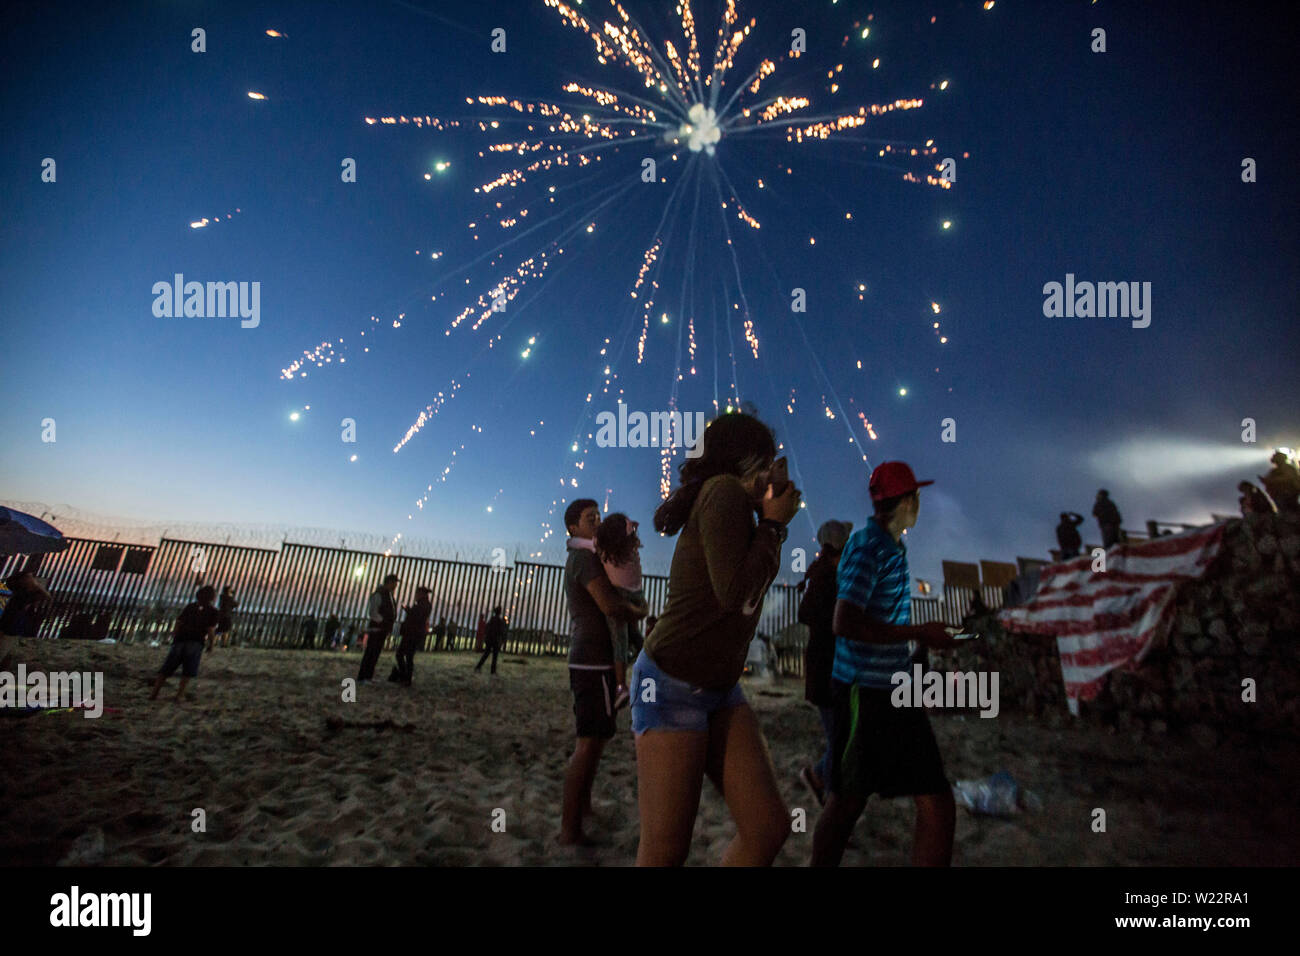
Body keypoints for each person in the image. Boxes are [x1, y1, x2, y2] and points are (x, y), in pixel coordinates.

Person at [632, 412, 797, 866]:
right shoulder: (723, 492)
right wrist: (775, 525)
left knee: (767, 827)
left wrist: (768, 522)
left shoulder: (739, 507)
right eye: (768, 461)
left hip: (721, 689)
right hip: (672, 683)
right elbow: (734, 593)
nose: (777, 470)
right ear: (747, 460)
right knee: (665, 851)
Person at [811, 461, 961, 867]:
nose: (920, 503)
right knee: (845, 805)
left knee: (937, 801)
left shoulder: (893, 546)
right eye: (917, 496)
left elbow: (880, 617)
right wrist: (919, 634)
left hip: (896, 692)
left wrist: (917, 649)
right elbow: (845, 621)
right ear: (908, 501)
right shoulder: (867, 547)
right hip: (864, 692)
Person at [559, 498, 647, 847]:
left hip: (595, 660)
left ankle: (584, 810)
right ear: (572, 528)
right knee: (587, 744)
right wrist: (638, 612)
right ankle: (569, 829)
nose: (596, 522)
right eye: (588, 518)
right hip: (592, 660)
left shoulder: (593, 557)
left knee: (595, 742)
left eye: (598, 516)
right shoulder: (583, 558)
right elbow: (610, 606)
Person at [797, 519, 852, 808]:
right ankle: (828, 791)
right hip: (828, 669)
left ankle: (819, 777)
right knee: (841, 737)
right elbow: (807, 614)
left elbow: (805, 614)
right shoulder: (828, 580)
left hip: (828, 668)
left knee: (841, 735)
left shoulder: (825, 576)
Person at [594, 513, 646, 710]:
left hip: (619, 594)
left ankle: (620, 685)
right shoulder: (630, 548)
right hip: (638, 594)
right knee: (635, 635)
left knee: (619, 640)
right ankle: (648, 664)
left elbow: (592, 546)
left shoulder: (603, 547)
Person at [150, 585, 220, 702]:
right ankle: (179, 694)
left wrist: (174, 635)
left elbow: (179, 622)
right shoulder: (213, 611)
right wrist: (211, 644)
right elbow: (210, 629)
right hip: (195, 642)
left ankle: (154, 693)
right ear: (212, 597)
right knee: (188, 670)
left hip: (180, 639)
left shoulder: (190, 606)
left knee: (167, 668)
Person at [0, 570, 52, 671]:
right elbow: (46, 595)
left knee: (6, 657)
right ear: (24, 580)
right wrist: (36, 584)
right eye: (30, 577)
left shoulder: (20, 595)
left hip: (11, 631)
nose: (33, 579)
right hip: (9, 631)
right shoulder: (21, 596)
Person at [357, 574, 399, 683]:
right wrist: (383, 622)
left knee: (375, 653)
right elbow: (373, 612)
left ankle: (368, 676)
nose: (396, 585)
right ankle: (363, 676)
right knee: (371, 652)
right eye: (394, 583)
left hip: (381, 628)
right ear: (389, 582)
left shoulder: (386, 594)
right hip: (377, 628)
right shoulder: (379, 595)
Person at [390, 587, 432, 686]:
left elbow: (416, 617)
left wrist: (407, 609)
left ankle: (405, 677)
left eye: (417, 593)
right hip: (414, 634)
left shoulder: (423, 605)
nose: (416, 596)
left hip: (412, 634)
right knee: (407, 655)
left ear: (422, 594)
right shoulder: (424, 604)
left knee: (403, 655)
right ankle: (405, 677)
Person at [475, 606, 508, 675]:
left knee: (486, 654)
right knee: (494, 656)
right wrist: (502, 639)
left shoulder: (492, 619)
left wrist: (486, 636)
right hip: (495, 640)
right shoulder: (499, 621)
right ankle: (492, 671)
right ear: (500, 612)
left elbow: (487, 628)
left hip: (489, 639)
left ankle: (478, 667)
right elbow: (501, 631)